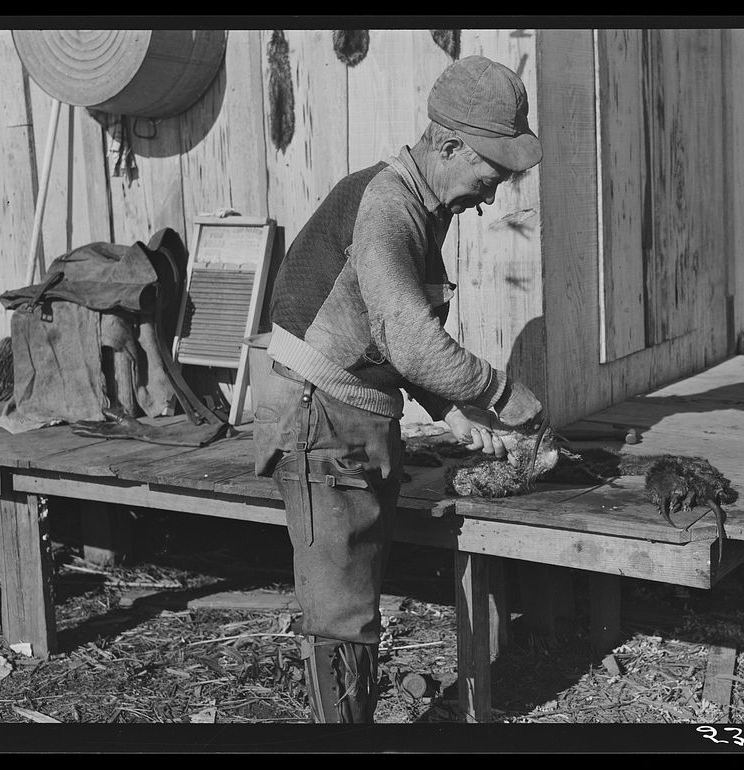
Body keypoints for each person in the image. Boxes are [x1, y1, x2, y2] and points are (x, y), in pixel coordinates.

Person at [250, 55, 545, 723]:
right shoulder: (388, 206)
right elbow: (409, 339)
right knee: (342, 613)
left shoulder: (421, 205)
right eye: (488, 174)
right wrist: (501, 393)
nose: (491, 195)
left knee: (353, 602)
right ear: (447, 144)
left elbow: (385, 336)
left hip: (350, 418)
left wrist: (452, 412)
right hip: (319, 421)